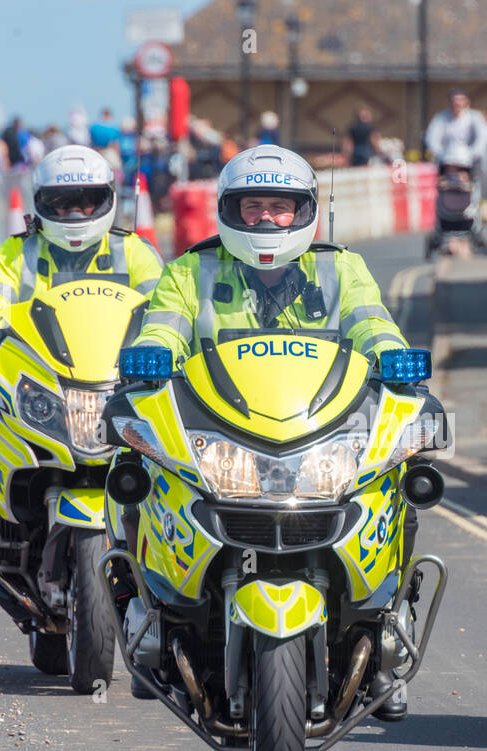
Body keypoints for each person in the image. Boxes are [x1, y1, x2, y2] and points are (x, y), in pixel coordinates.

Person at [130, 146, 415, 716]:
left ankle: (387, 629)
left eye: (280, 208)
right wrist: (148, 355)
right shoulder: (191, 271)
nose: (265, 219)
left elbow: (373, 323)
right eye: (252, 205)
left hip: (321, 430)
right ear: (229, 210)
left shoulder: (341, 269)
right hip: (219, 433)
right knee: (134, 467)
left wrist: (395, 360)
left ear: (304, 210)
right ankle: (144, 610)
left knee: (400, 475)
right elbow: (162, 326)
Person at [0, 144, 163, 320]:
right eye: (62, 201)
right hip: (34, 354)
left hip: (117, 354)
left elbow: (161, 304)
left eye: (86, 200)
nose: (75, 212)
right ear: (42, 201)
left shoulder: (131, 249)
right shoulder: (17, 251)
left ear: (105, 200)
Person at [424, 90, 487, 171]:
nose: (457, 103)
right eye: (454, 100)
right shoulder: (440, 118)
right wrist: (441, 153)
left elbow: (482, 138)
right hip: (446, 158)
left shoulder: (475, 117)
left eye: (460, 100)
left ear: (466, 102)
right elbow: (432, 139)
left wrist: (471, 153)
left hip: (470, 159)